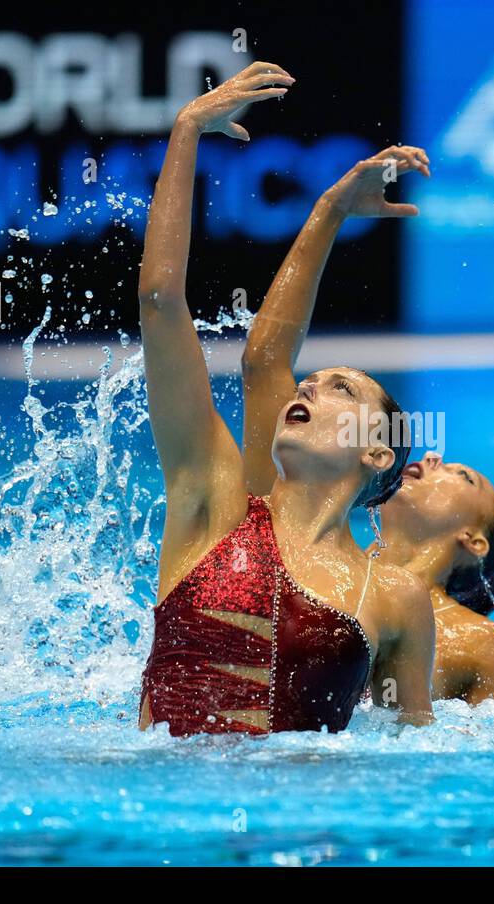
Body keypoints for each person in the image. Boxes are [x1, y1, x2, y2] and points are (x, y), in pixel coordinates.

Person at [136, 63, 436, 736]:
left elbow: (416, 764)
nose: (308, 385)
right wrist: (187, 132)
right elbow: (164, 306)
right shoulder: (210, 504)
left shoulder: (395, 596)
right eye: (313, 380)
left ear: (376, 451)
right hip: (166, 824)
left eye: (341, 389)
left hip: (314, 828)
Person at [240, 145, 494, 714]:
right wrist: (330, 211)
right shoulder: (288, 522)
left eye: (463, 477)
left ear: (473, 542)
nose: (434, 459)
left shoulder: (478, 644)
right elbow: (264, 361)